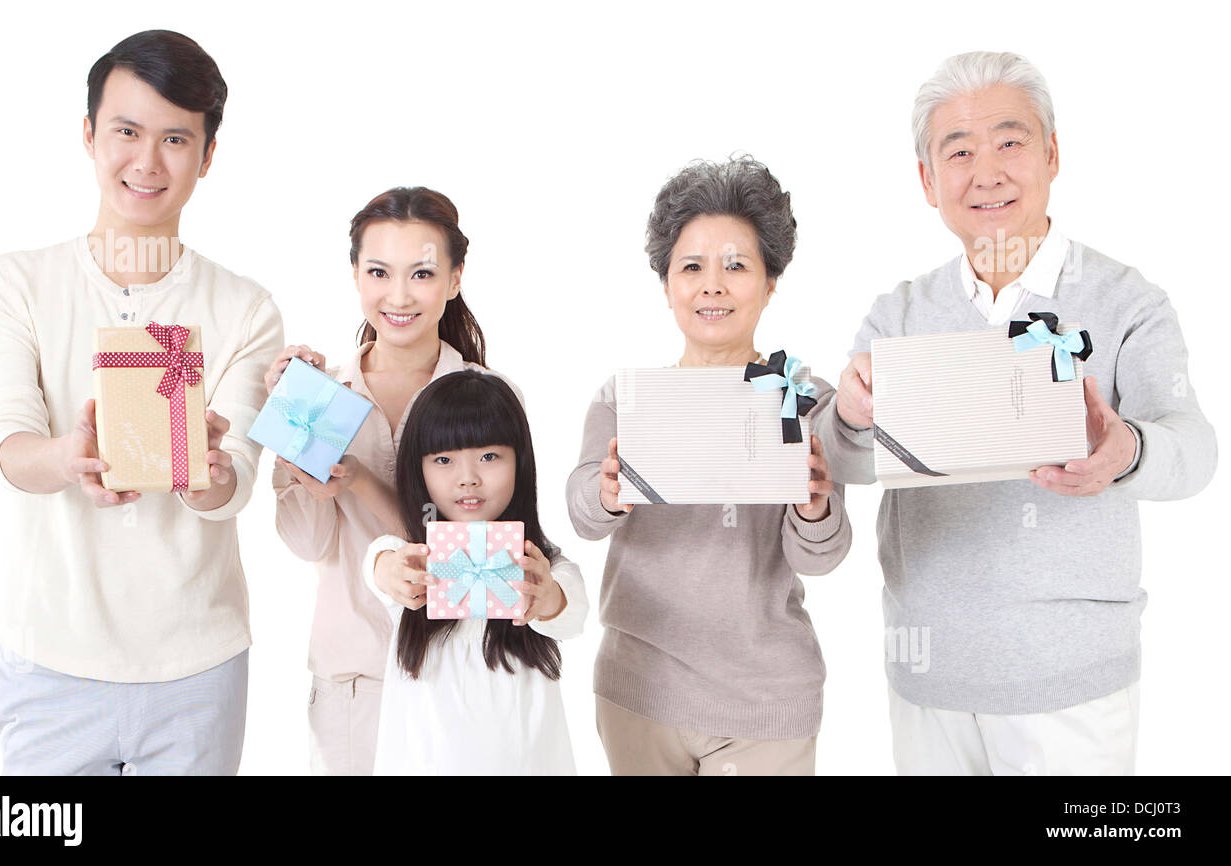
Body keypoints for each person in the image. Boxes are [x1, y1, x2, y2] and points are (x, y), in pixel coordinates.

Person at [816, 51, 1218, 775]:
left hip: (1074, 690)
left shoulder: (1129, 302)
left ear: (1053, 153)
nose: (987, 170)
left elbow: (1195, 451)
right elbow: (846, 463)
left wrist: (1124, 451)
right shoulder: (897, 314)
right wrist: (846, 414)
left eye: (1010, 141)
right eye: (959, 151)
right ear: (927, 181)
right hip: (929, 683)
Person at [0, 30, 284, 775]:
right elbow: (4, 440)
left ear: (208, 156)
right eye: (127, 131)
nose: (147, 162)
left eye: (177, 138)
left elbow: (234, 479)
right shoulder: (14, 284)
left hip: (198, 669)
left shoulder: (245, 308)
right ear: (88, 134)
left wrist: (204, 465)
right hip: (50, 659)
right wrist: (64, 456)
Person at [565, 156, 851, 775]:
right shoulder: (626, 398)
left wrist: (815, 505)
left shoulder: (803, 396)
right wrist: (608, 491)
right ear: (666, 284)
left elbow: (821, 557)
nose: (712, 285)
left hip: (765, 704)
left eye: (736, 265)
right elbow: (583, 517)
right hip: (640, 691)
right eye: (691, 267)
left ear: (770, 282)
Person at [269, 186, 511, 775]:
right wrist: (294, 427)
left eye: (422, 273)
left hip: (462, 674)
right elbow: (307, 545)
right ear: (355, 275)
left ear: (455, 278)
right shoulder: (320, 395)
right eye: (379, 271)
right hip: (353, 678)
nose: (398, 296)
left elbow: (490, 558)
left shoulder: (488, 399)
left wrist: (358, 484)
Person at [362, 371, 587, 774]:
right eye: (444, 460)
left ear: (521, 461)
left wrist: (548, 597)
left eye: (489, 456)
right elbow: (381, 559)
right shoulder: (417, 562)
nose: (468, 477)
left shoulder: (541, 566)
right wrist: (386, 569)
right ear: (420, 469)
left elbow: (571, 612)